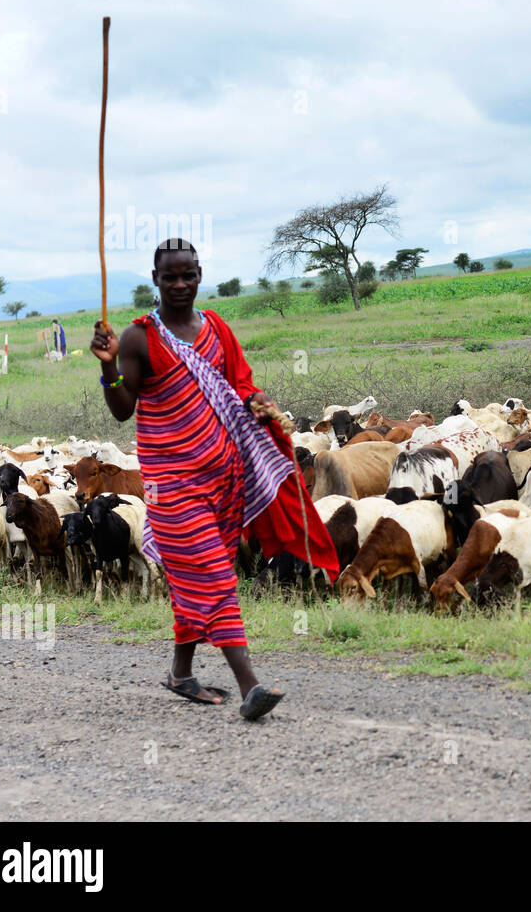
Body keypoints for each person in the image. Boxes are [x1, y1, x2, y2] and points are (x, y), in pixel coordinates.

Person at [90, 238, 339, 720]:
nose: (180, 284)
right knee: (217, 577)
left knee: (198, 578)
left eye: (188, 275)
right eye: (170, 277)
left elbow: (239, 385)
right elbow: (124, 412)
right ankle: (251, 686)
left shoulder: (216, 328)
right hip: (171, 484)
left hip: (224, 481)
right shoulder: (140, 337)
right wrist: (109, 369)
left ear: (200, 275)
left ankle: (180, 673)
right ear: (155, 279)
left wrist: (261, 404)